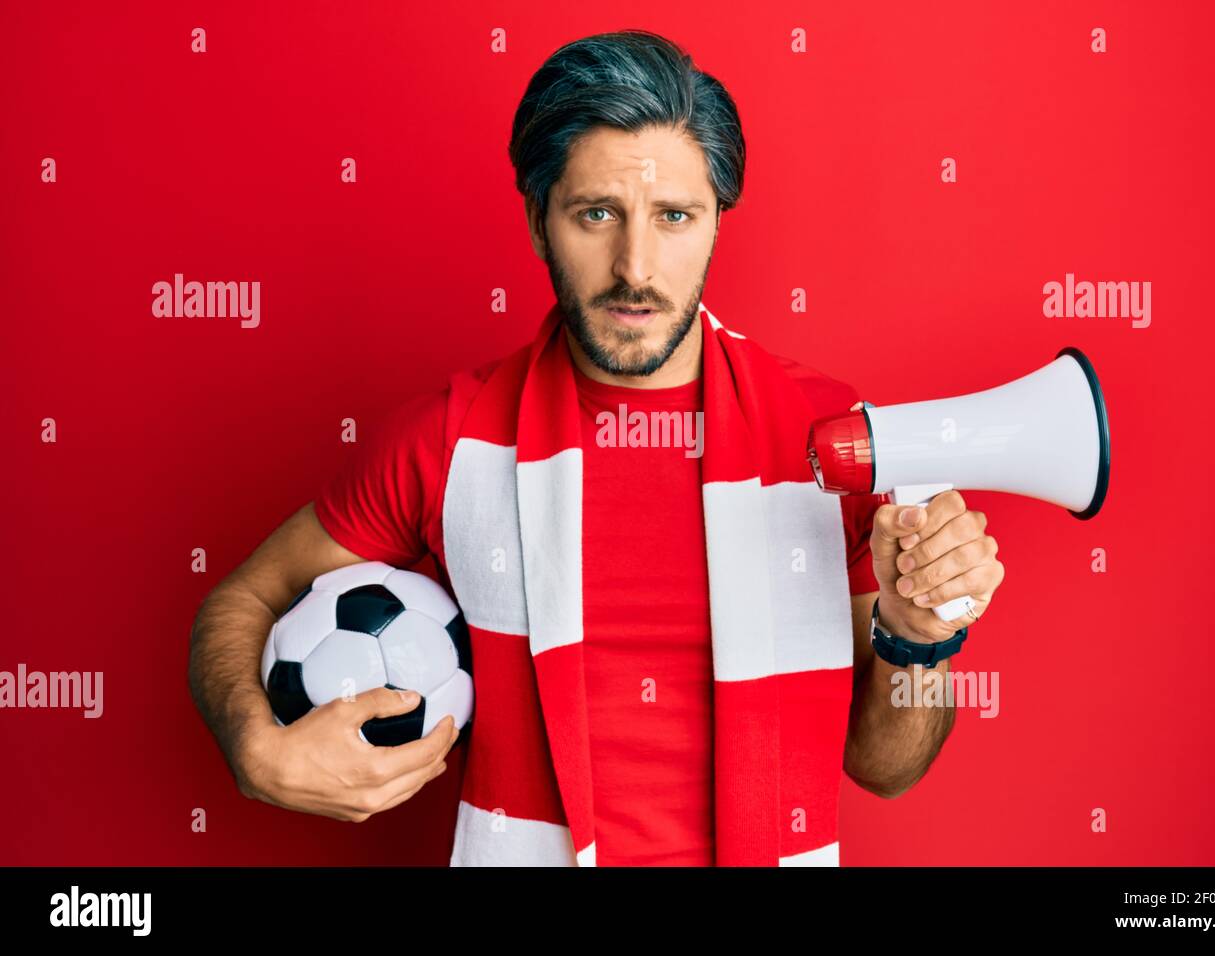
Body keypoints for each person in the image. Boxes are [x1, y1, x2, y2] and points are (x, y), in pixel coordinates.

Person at [188, 29, 1005, 866]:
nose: (635, 267)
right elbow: (240, 601)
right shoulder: (447, 439)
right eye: (597, 214)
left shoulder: (836, 441)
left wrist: (918, 640)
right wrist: (256, 747)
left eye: (674, 217)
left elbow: (887, 768)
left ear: (718, 221)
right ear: (541, 224)